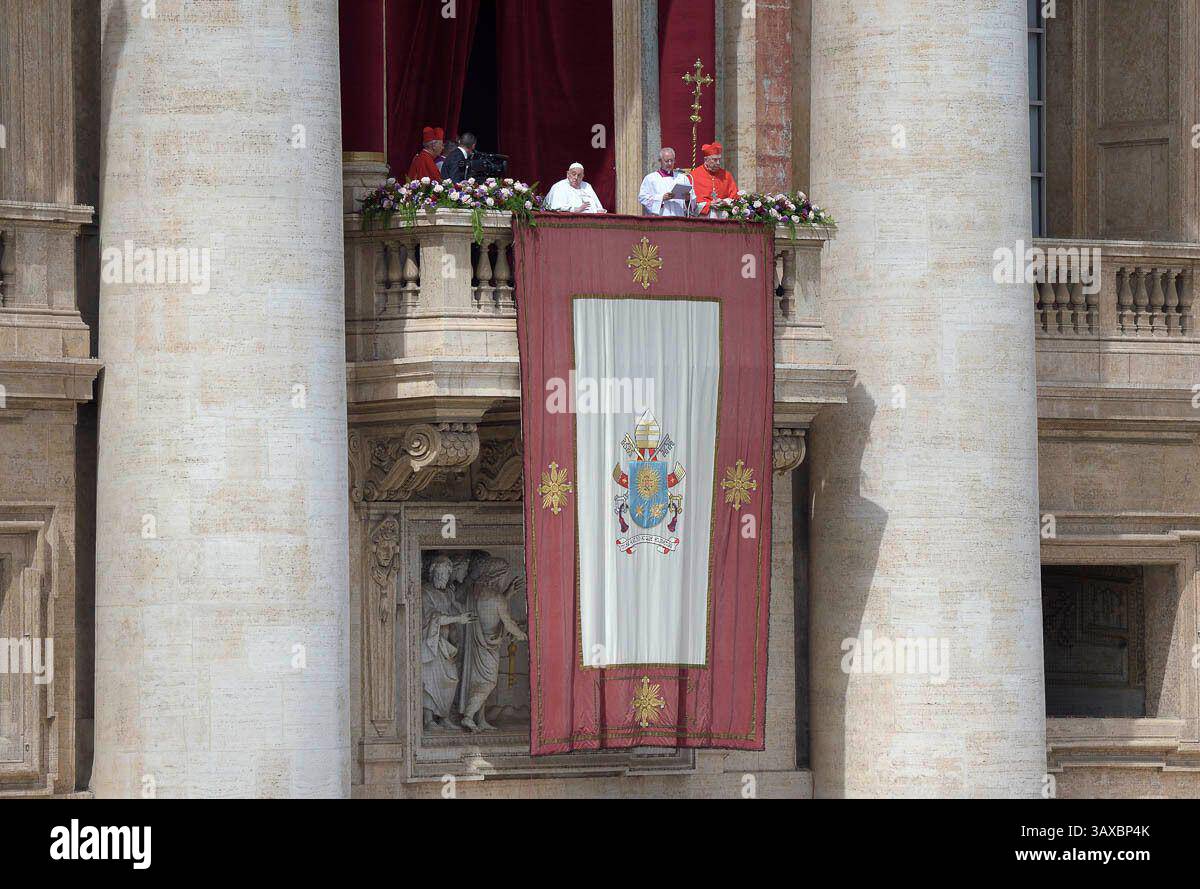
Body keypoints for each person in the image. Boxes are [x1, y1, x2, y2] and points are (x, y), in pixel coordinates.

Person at [638, 147, 696, 216]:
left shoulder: (682, 178)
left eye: (672, 160)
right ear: (660, 161)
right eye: (666, 161)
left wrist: (688, 199)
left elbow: (692, 202)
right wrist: (661, 198)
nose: (669, 163)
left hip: (679, 217)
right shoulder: (650, 178)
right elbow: (643, 197)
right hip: (660, 218)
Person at [690, 142, 738, 216]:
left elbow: (735, 196)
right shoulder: (694, 175)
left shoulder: (727, 175)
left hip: (723, 217)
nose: (718, 163)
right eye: (715, 160)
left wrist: (724, 202)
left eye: (719, 159)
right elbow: (690, 203)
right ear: (706, 160)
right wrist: (709, 204)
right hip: (703, 218)